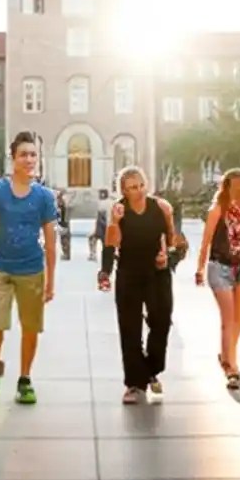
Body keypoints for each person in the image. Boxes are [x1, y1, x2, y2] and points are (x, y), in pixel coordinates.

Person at [0, 131, 58, 404]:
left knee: (31, 327)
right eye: (23, 154)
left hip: (32, 268)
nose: (29, 159)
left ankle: (25, 378)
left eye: (33, 155)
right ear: (13, 158)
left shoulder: (44, 196)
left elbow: (50, 240)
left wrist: (51, 281)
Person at [99, 166, 181, 403]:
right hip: (129, 273)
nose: (139, 191)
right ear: (123, 190)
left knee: (162, 321)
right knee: (130, 328)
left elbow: (174, 241)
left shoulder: (162, 208)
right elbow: (110, 244)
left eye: (141, 185)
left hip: (157, 273)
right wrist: (105, 272)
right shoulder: (119, 210)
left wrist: (169, 257)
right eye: (133, 187)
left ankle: (151, 369)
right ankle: (135, 384)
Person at [195, 168, 240, 390]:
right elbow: (206, 241)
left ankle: (226, 352)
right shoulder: (217, 210)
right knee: (229, 318)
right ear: (227, 186)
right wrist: (199, 268)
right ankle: (231, 368)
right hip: (219, 267)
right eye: (236, 185)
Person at [90, 188, 111, 263]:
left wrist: (98, 230)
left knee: (93, 239)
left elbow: (101, 218)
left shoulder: (102, 203)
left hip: (103, 228)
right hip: (108, 226)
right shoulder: (110, 202)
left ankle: (93, 254)